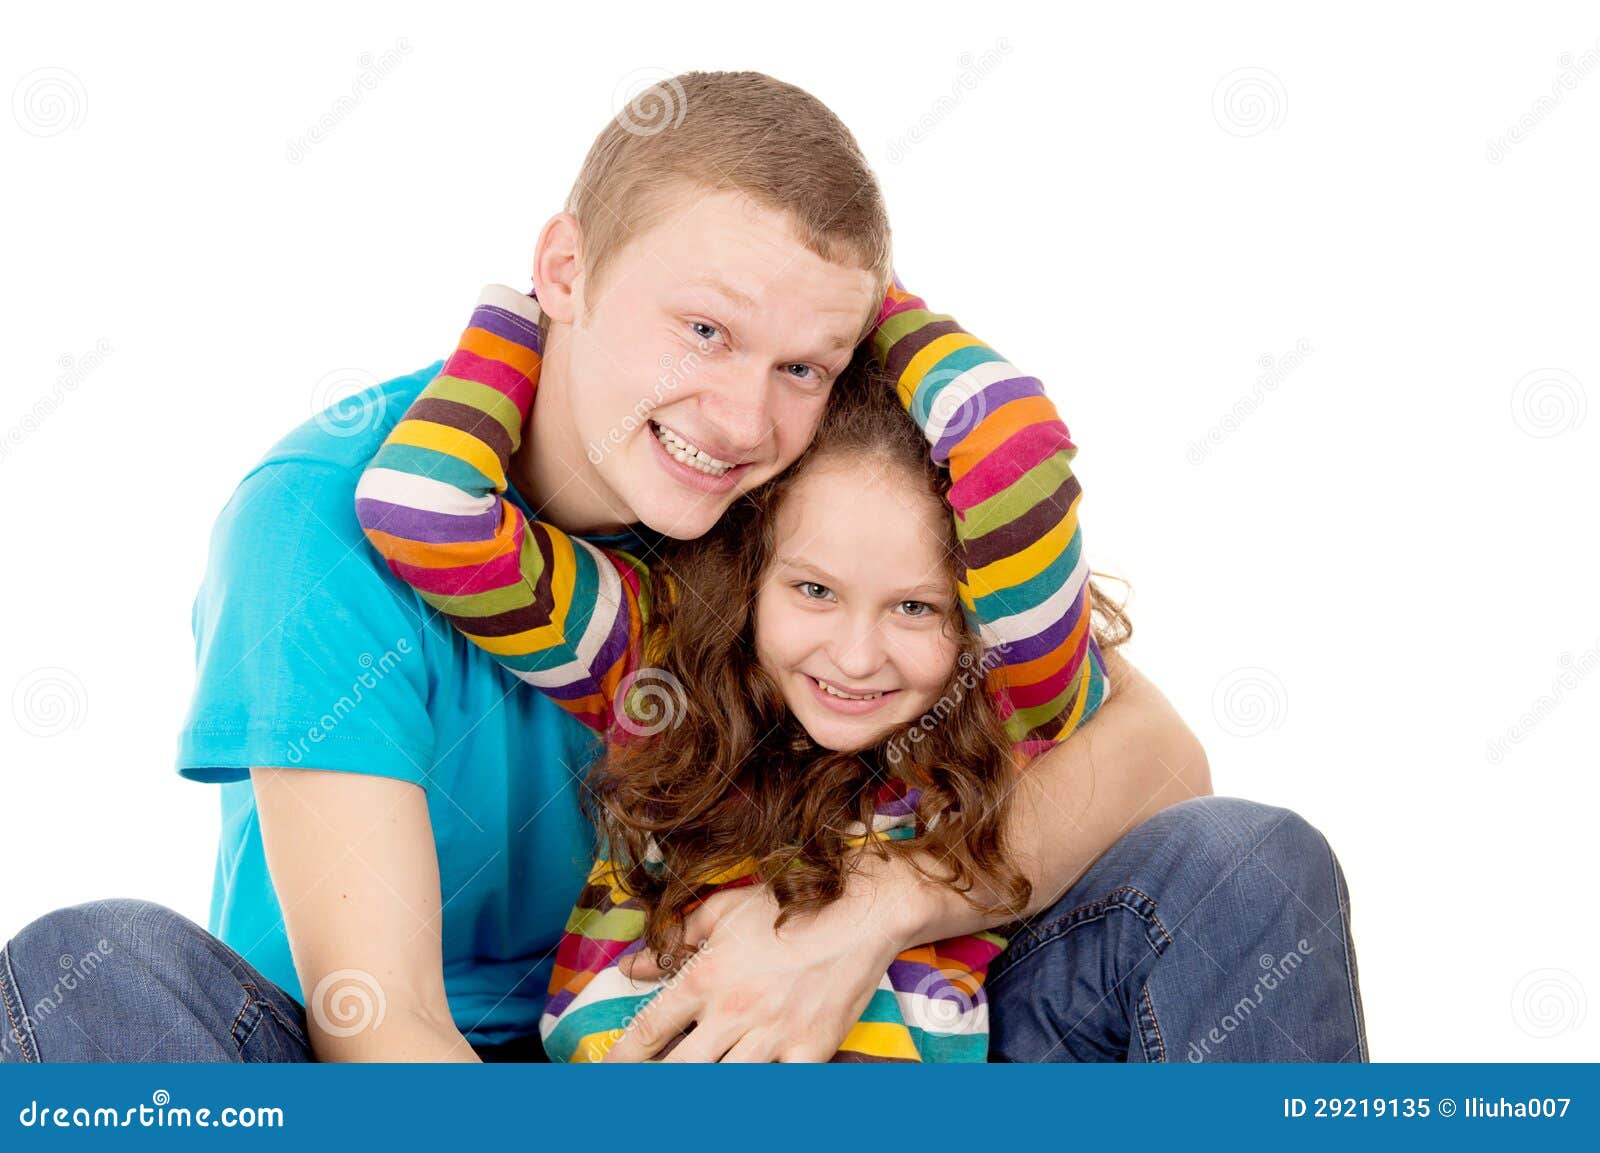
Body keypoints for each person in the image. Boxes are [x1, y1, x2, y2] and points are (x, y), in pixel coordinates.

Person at [0, 71, 1361, 1064]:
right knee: (87, 971)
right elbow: (387, 1020)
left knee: (1245, 865)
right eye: (703, 327)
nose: (740, 419)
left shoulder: (793, 488)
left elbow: (1153, 750)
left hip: (828, 1043)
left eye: (801, 364)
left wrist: (861, 927)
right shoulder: (317, 526)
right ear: (566, 272)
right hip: (424, 1080)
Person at [353, 277, 1114, 1061]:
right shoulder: (666, 664)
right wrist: (532, 312)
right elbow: (423, 509)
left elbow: (1014, 441)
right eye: (813, 589)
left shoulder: (1006, 697)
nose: (855, 656)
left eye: (915, 608)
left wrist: (868, 295)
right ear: (749, 573)